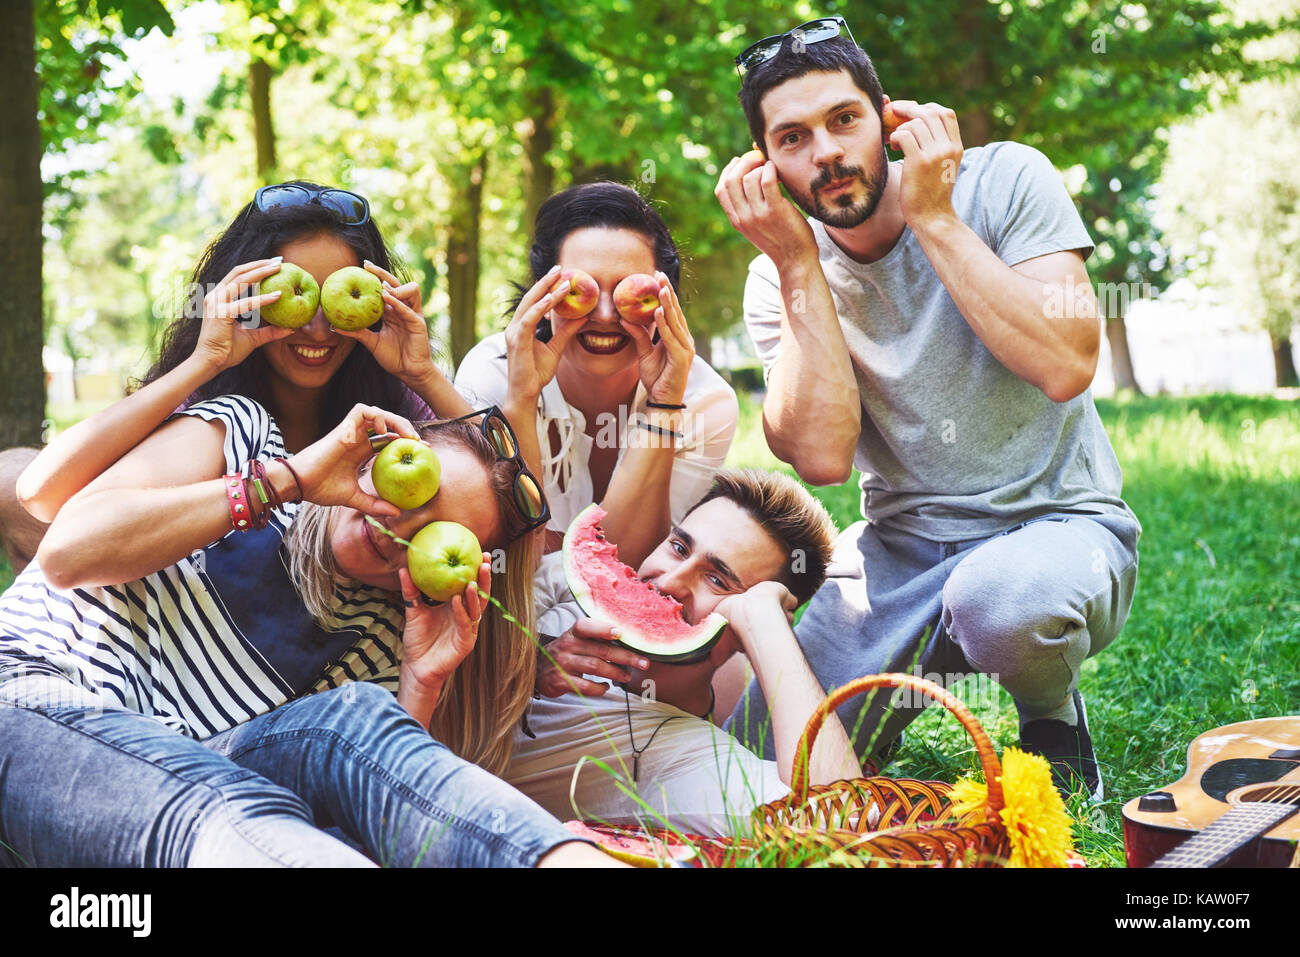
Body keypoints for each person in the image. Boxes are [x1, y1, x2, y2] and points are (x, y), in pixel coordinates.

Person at [713, 18, 1140, 800]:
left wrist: (935, 216)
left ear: (889, 116)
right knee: (760, 770)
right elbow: (821, 457)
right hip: (897, 556)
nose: (828, 153)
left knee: (1000, 603)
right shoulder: (781, 269)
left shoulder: (1006, 179)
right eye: (793, 138)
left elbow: (1066, 362)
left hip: (1057, 529)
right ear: (765, 164)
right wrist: (799, 263)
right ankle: (911, 660)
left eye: (845, 120)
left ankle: (1049, 710)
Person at [0, 398, 615, 867]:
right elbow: (66, 554)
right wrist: (286, 482)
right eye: (414, 486)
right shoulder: (245, 442)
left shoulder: (382, 640)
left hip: (195, 781)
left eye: (436, 532)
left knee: (352, 720)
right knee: (214, 817)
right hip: (34, 696)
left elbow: (362, 826)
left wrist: (420, 683)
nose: (399, 521)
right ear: (382, 451)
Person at [14, 180, 472, 532]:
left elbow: (513, 499)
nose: (317, 328)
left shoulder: (393, 405)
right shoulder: (207, 409)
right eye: (293, 298)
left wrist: (423, 374)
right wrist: (204, 360)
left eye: (337, 303)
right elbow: (40, 494)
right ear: (243, 299)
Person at [505, 469, 864, 837]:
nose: (669, 582)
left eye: (717, 580)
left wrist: (764, 622)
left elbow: (840, 819)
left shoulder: (682, 758)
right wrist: (526, 668)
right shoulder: (566, 593)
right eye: (679, 548)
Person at [455, 181, 738, 570]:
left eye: (628, 291)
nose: (605, 315)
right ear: (543, 293)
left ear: (664, 299)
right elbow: (498, 548)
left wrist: (665, 406)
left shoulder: (706, 402)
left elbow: (635, 567)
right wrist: (522, 397)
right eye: (580, 289)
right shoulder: (492, 377)